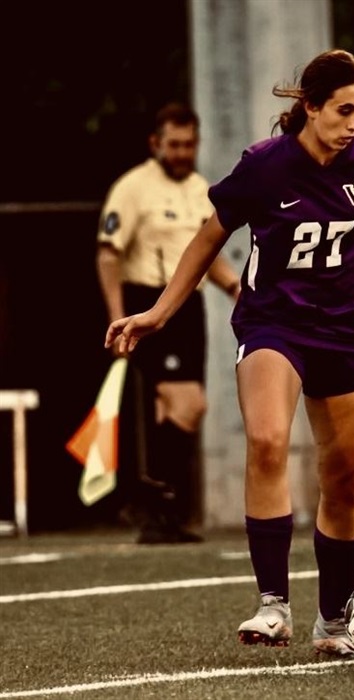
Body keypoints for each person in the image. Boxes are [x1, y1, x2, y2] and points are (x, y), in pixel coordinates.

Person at [104, 50, 354, 656]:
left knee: (346, 478)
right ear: (309, 106)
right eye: (343, 110)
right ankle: (273, 606)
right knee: (266, 441)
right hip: (273, 325)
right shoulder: (265, 166)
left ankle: (333, 622)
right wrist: (158, 312)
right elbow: (209, 236)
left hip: (345, 331)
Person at [96, 102, 240, 545]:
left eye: (189, 145)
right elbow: (108, 254)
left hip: (188, 307)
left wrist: (235, 287)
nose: (182, 153)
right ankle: (146, 497)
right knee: (187, 404)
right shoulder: (133, 187)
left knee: (174, 411)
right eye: (174, 145)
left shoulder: (199, 189)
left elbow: (203, 253)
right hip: (147, 302)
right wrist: (118, 317)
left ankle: (159, 512)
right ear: (155, 143)